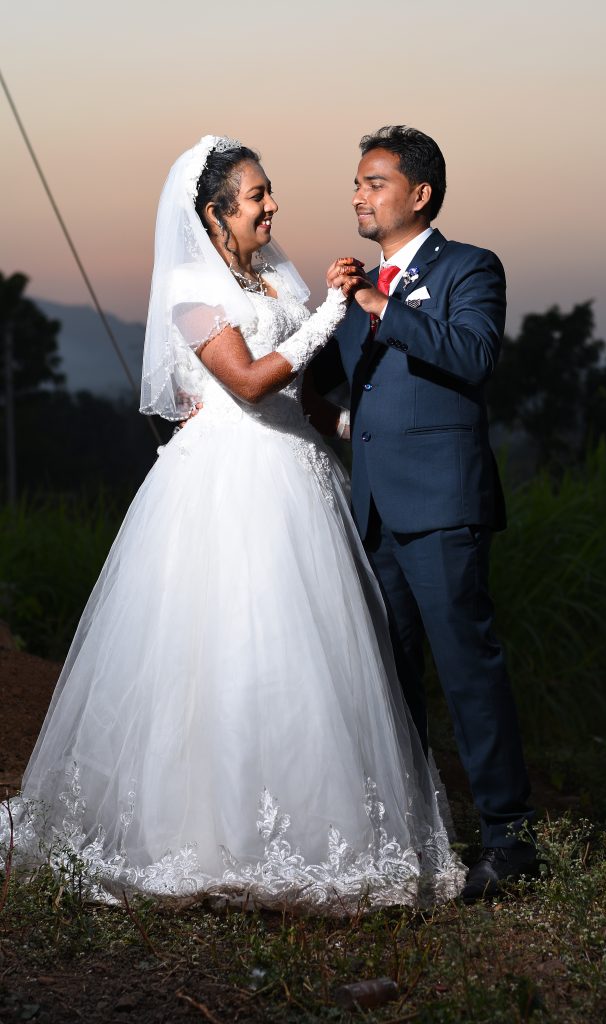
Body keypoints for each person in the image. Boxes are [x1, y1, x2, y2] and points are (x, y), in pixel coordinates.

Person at [0, 135, 465, 913]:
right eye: (254, 197)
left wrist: (361, 430)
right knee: (226, 647)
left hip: (298, 475)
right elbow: (247, 384)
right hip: (229, 479)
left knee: (308, 656)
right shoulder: (189, 282)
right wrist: (328, 313)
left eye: (268, 191)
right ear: (214, 213)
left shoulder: (274, 274)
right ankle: (207, 830)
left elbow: (305, 397)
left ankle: (312, 827)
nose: (270, 205)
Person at [307, 126, 539, 902]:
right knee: (391, 680)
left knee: (468, 672)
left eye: (372, 181)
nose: (357, 195)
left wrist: (377, 303)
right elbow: (341, 399)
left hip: (442, 508)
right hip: (372, 511)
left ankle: (510, 840)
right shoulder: (351, 293)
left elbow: (472, 356)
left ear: (419, 193)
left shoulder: (470, 267)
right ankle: (413, 831)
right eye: (355, 182)